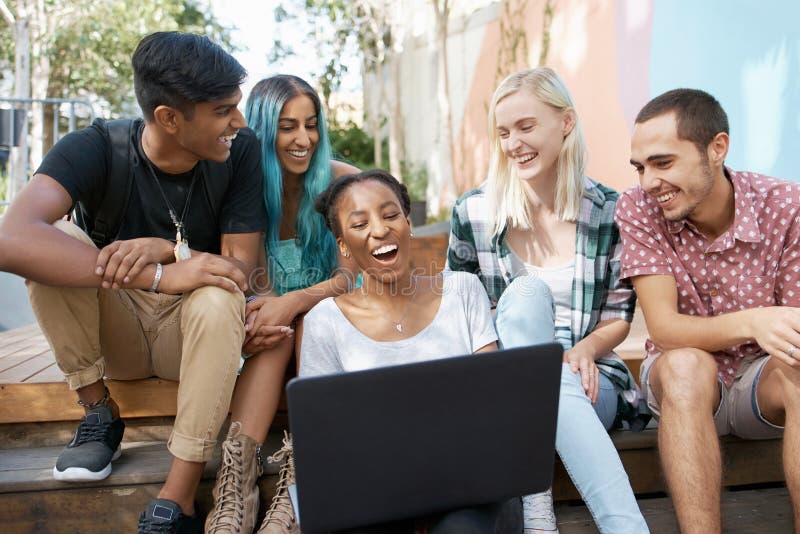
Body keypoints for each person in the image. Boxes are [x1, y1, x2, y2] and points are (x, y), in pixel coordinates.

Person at [0, 32, 266, 533]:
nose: (239, 121)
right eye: (223, 110)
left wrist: (169, 249)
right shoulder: (97, 147)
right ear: (169, 117)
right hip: (113, 335)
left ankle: (179, 495)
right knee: (52, 236)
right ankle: (98, 411)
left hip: (189, 343)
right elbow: (11, 239)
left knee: (217, 292)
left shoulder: (240, 153)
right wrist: (158, 274)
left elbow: (238, 270)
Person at [446, 67, 649, 534]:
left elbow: (618, 316)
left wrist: (583, 351)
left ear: (566, 122)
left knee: (552, 378)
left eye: (526, 126)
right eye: (503, 132)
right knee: (524, 298)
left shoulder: (611, 211)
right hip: (500, 387)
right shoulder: (474, 213)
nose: (513, 142)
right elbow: (458, 312)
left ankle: (537, 507)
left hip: (588, 380)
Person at [615, 88, 800, 533]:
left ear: (717, 149)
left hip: (764, 383)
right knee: (683, 368)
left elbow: (792, 330)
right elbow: (664, 328)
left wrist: (771, 330)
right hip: (685, 384)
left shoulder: (786, 204)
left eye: (663, 163)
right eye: (641, 168)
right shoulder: (638, 208)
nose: (648, 182)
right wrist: (754, 320)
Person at [299, 168, 522, 533]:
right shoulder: (325, 322)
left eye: (390, 215)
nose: (380, 229)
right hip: (376, 494)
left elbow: (491, 404)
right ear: (342, 246)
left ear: (407, 222)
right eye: (359, 224)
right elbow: (326, 441)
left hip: (467, 488)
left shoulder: (463, 292)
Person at [204, 75, 359, 534]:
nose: (303, 139)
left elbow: (351, 278)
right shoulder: (242, 188)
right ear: (262, 128)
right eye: (287, 126)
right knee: (278, 332)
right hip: (269, 339)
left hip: (337, 330)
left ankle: (299, 483)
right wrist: (276, 308)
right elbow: (255, 288)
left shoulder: (343, 182)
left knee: (311, 318)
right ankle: (238, 487)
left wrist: (295, 300)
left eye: (311, 125)